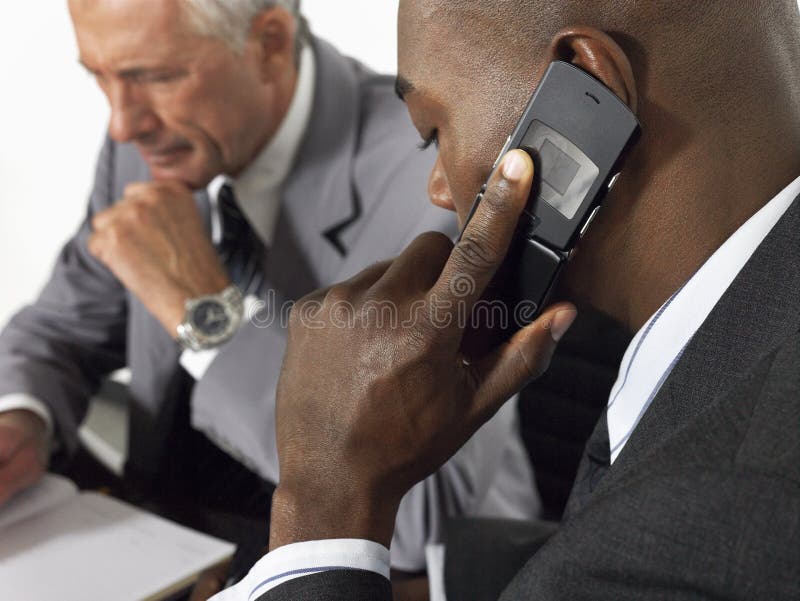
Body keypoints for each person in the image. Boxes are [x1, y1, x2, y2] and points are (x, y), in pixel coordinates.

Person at [210, 0, 800, 599]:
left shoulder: (714, 521)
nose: (438, 190)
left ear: (586, 90)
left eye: (432, 134)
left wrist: (324, 508)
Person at [0, 0, 542, 587]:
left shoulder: (438, 174)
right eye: (99, 76)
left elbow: (416, 520)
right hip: (168, 550)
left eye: (154, 77)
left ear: (269, 43)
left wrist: (206, 315)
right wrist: (19, 419)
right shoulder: (147, 143)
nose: (122, 123)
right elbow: (63, 327)